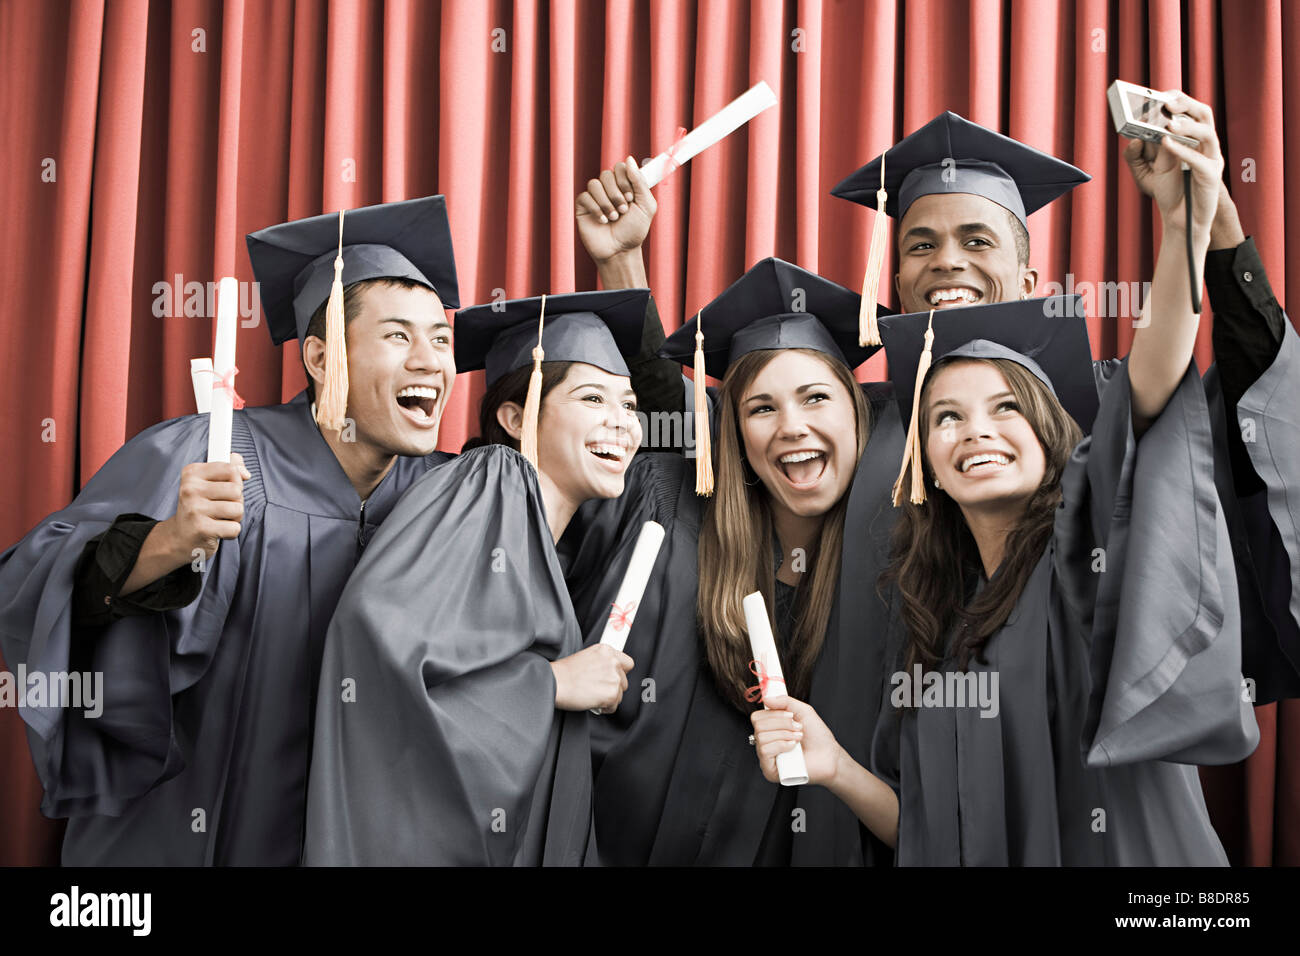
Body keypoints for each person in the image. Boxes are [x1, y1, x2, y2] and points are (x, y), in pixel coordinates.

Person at [754, 117, 1260, 863]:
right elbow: (933, 833)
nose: (975, 433)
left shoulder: (1085, 552)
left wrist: (1185, 222)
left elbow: (1151, 389)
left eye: (1006, 409)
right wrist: (831, 765)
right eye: (947, 418)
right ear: (918, 456)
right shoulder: (940, 637)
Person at [0, 196, 462, 865]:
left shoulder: (450, 496)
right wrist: (167, 543)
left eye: (440, 339)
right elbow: (23, 586)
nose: (429, 360)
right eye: (398, 336)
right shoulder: (212, 454)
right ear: (322, 358)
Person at [831, 101, 1300, 703]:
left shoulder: (1095, 397)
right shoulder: (855, 422)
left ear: (1028, 284)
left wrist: (1205, 223)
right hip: (903, 757)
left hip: (1066, 750)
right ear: (897, 284)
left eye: (976, 239)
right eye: (920, 246)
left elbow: (1237, 392)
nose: (946, 260)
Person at [303, 290, 650, 865]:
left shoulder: (540, 530)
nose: (622, 423)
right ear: (515, 417)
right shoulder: (494, 479)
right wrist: (552, 685)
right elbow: (383, 656)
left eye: (630, 404)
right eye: (593, 398)